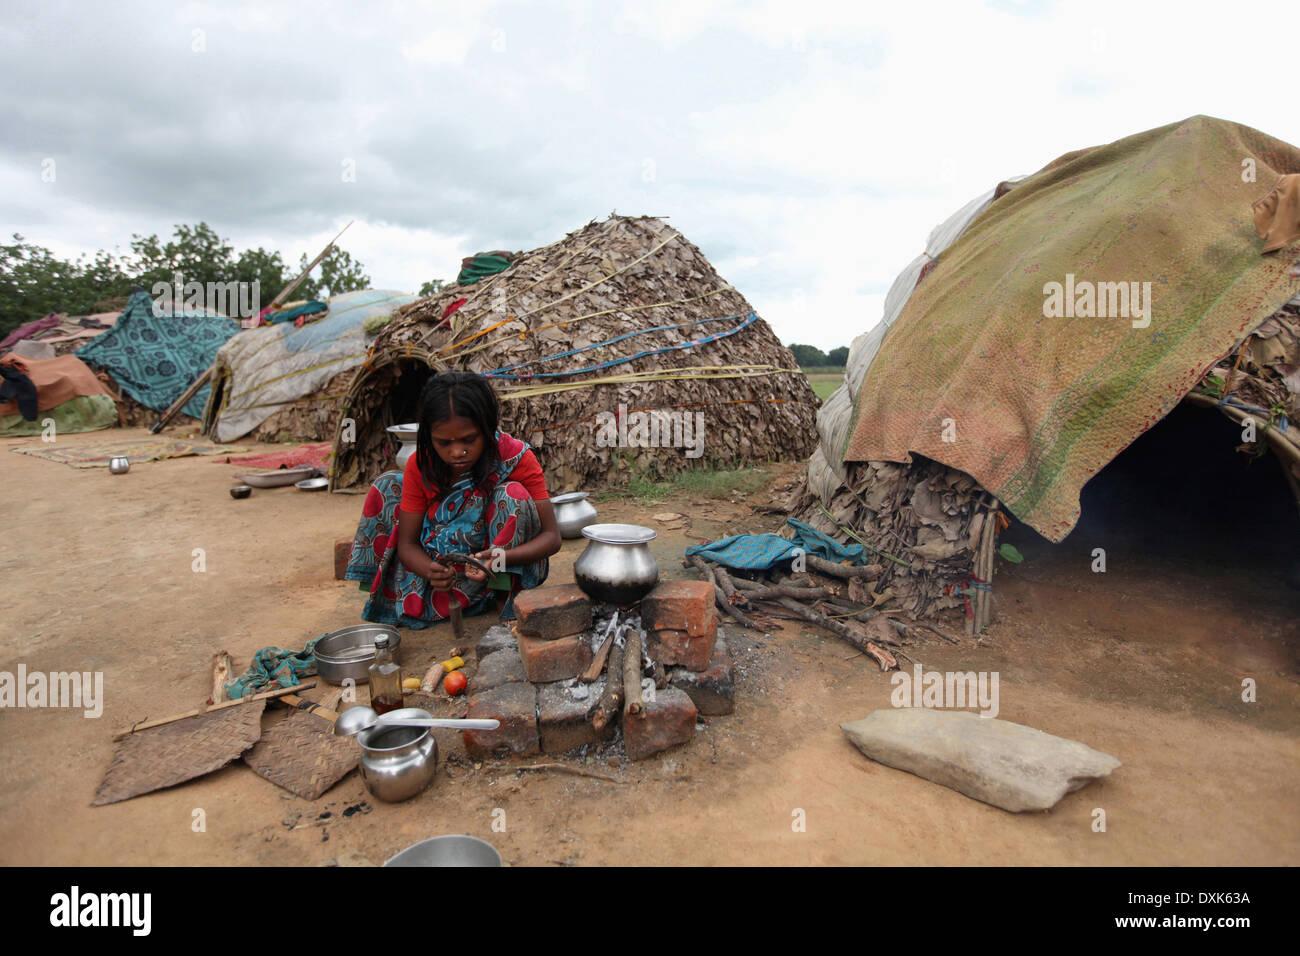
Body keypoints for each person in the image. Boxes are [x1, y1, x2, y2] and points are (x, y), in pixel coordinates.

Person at [345, 371, 561, 627]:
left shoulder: (515, 458)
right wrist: (429, 570)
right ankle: (399, 597)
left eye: (469, 439)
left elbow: (552, 538)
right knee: (387, 485)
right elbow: (407, 546)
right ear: (428, 436)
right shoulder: (421, 465)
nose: (457, 452)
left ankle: (504, 596)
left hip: (496, 567)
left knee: (511, 493)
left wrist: (499, 559)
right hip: (444, 575)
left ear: (487, 427)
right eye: (443, 442)